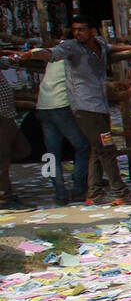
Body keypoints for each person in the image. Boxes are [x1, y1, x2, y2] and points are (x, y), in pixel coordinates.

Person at [15, 15, 131, 204]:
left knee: (58, 150)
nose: (77, 33)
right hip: (70, 106)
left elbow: (110, 48)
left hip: (46, 105)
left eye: (81, 29)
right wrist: (32, 54)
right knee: (90, 147)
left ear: (93, 31)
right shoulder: (69, 48)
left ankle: (67, 193)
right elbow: (49, 53)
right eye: (75, 30)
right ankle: (94, 190)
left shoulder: (98, 45)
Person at [32, 54, 89, 206]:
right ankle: (78, 190)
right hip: (60, 106)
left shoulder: (53, 54)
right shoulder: (75, 53)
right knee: (82, 147)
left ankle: (59, 193)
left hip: (43, 105)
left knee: (52, 153)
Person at [0, 64, 33, 210]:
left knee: (23, 149)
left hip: (7, 115)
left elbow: (7, 63)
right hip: (1, 117)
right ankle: (4, 198)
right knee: (2, 159)